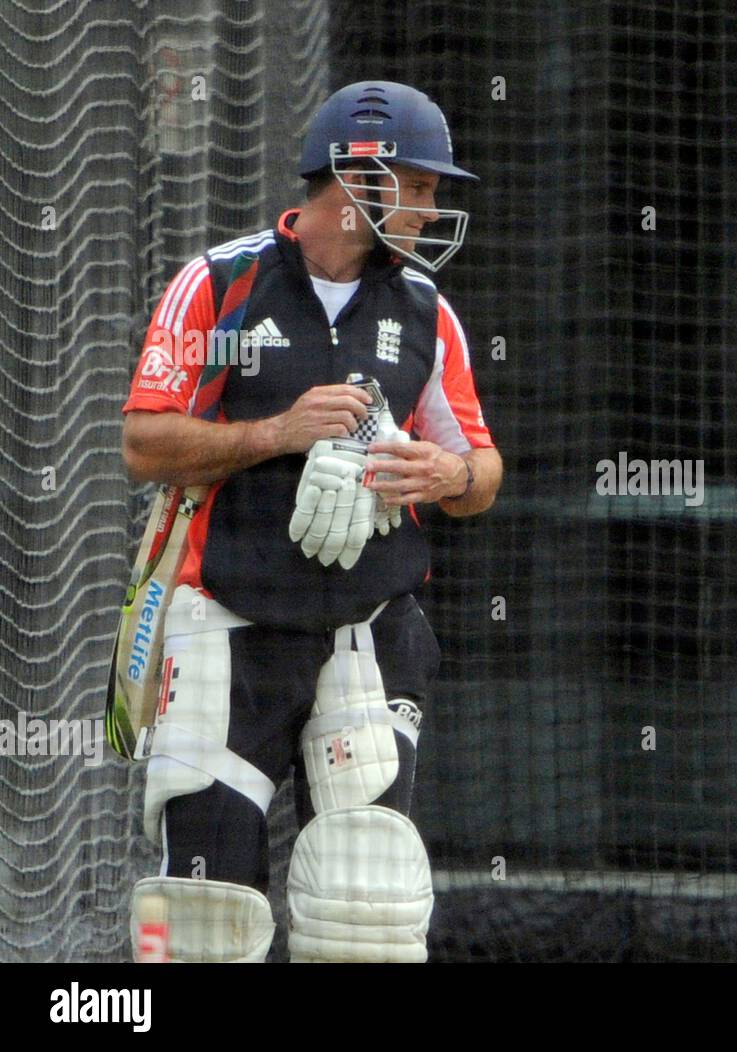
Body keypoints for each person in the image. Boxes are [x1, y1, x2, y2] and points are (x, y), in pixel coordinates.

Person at [120, 81, 502, 962]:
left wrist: (447, 472)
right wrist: (278, 432)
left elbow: (482, 468)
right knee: (200, 920)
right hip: (226, 623)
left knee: (364, 916)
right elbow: (143, 442)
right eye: (424, 184)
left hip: (370, 635)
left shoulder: (426, 312)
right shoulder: (220, 285)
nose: (435, 207)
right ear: (358, 177)